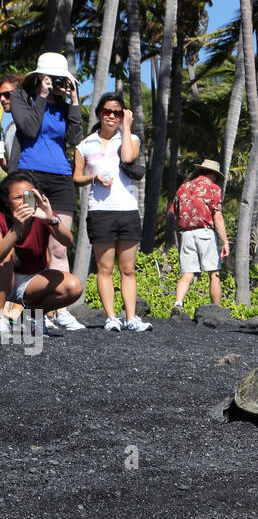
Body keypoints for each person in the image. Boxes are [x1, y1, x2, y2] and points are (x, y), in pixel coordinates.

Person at [9, 53, 86, 332]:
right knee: (25, 237)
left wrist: (74, 100)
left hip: (62, 179)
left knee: (58, 245)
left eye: (59, 80)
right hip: (30, 176)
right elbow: (29, 128)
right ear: (39, 76)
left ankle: (59, 311)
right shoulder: (21, 97)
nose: (55, 83)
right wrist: (41, 94)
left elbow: (76, 139)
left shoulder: (65, 106)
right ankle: (14, 305)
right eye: (50, 78)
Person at [73, 93, 150, 333]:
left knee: (127, 269)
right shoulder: (85, 145)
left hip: (127, 209)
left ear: (123, 114)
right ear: (99, 113)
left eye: (117, 112)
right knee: (104, 268)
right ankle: (110, 316)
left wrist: (127, 126)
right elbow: (76, 176)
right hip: (100, 211)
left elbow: (127, 157)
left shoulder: (131, 138)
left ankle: (131, 317)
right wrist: (92, 177)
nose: (112, 116)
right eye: (107, 111)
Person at [0, 170, 81, 336]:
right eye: (17, 198)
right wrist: (17, 227)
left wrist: (52, 219)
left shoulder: (42, 215)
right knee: (7, 255)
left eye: (28, 196)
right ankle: (1, 315)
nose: (23, 202)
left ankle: (31, 316)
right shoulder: (1, 217)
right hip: (2, 277)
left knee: (73, 287)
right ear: (6, 201)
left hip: (29, 282)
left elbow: (68, 241)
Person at [168, 159, 230, 315]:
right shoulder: (213, 188)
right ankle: (216, 310)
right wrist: (225, 241)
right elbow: (217, 216)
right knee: (214, 272)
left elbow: (176, 217)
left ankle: (178, 304)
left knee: (187, 273)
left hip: (186, 233)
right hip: (205, 233)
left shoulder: (183, 188)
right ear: (212, 174)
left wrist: (179, 238)